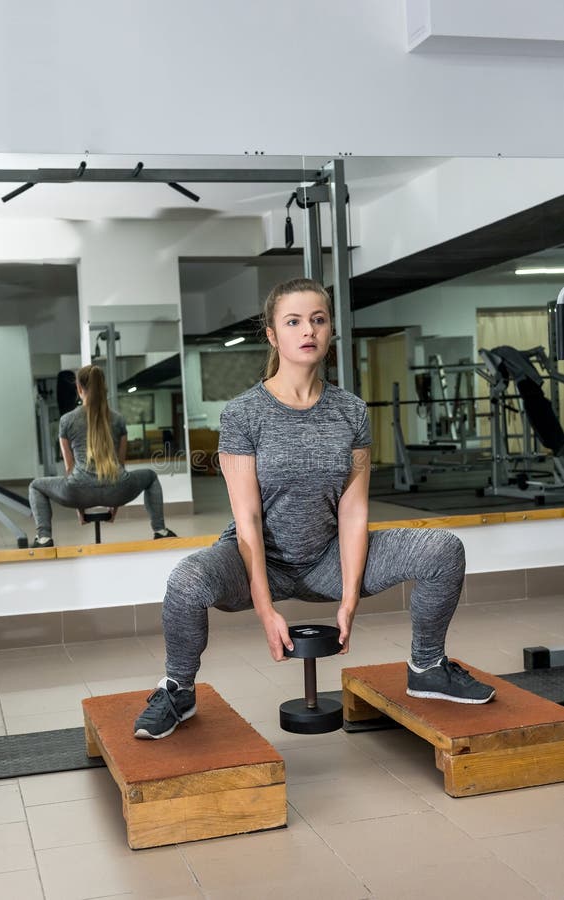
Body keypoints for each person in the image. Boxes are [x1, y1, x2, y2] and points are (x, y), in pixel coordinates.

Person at [134, 278, 494, 740]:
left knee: (442, 549)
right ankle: (178, 689)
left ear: (329, 332)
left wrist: (348, 602)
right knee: (187, 580)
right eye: (294, 321)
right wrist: (266, 612)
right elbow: (248, 521)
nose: (309, 330)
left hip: (327, 558)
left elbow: (353, 510)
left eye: (318, 320)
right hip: (256, 560)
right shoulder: (243, 414)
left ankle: (427, 666)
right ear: (272, 335)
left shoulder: (352, 411)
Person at [29, 364, 177, 547]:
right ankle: (160, 531)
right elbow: (120, 466)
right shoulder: (119, 420)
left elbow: (69, 468)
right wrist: (114, 503)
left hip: (78, 491)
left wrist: (79, 505)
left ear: (79, 388)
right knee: (151, 477)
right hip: (118, 489)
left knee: (36, 486)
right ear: (103, 387)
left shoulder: (66, 421)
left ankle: (44, 538)